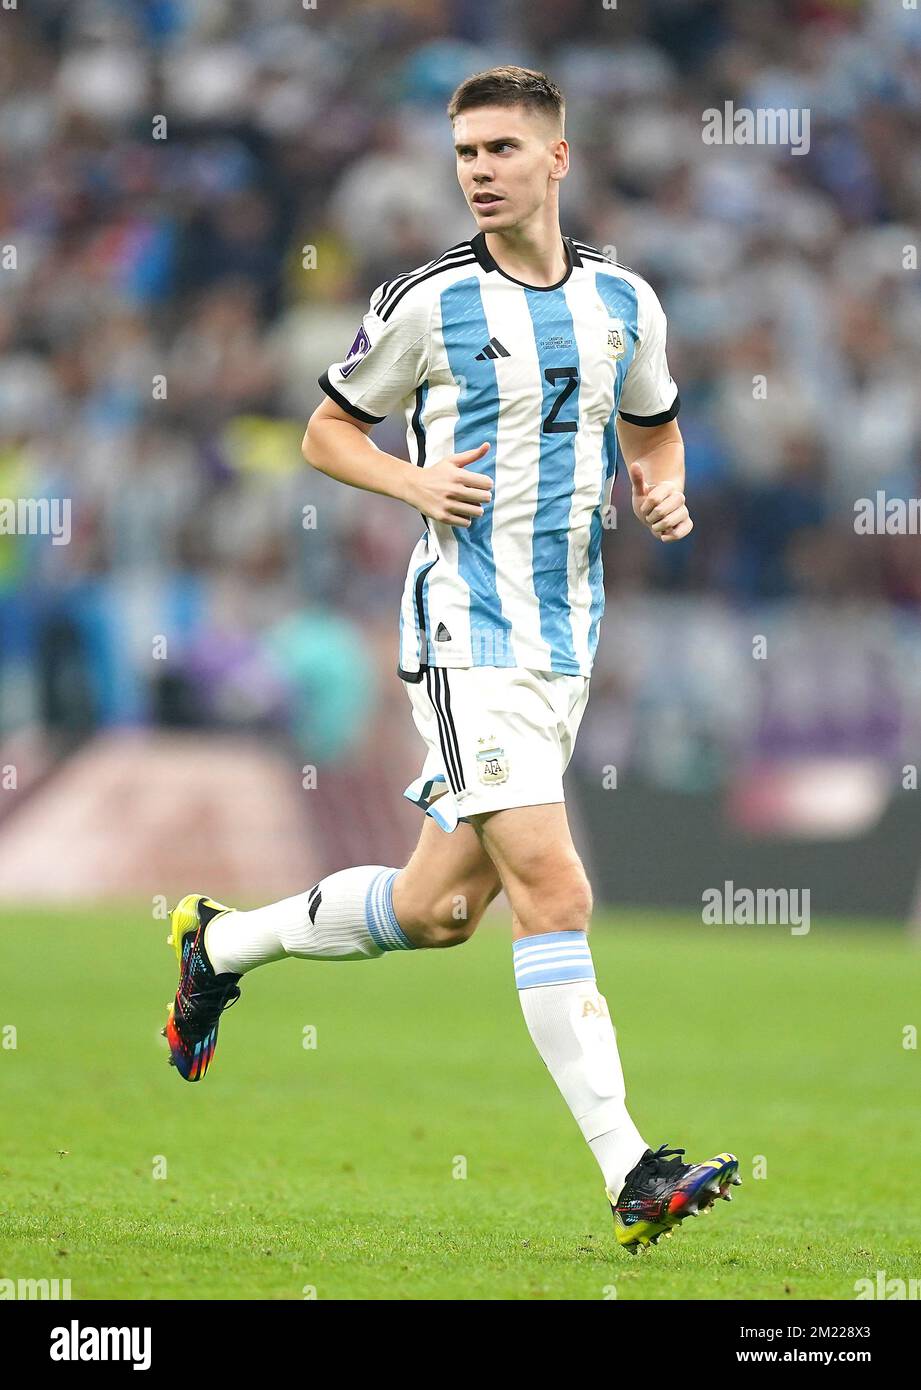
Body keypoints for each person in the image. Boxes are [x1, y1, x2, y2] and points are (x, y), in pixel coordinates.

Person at [163, 65, 739, 1252]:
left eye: (502, 150)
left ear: (557, 158)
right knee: (557, 885)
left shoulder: (625, 300)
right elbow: (328, 429)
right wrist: (412, 480)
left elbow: (657, 417)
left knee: (439, 911)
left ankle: (214, 945)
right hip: (462, 632)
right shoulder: (425, 303)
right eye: (466, 151)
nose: (478, 170)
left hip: (565, 639)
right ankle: (631, 1169)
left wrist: (664, 479)